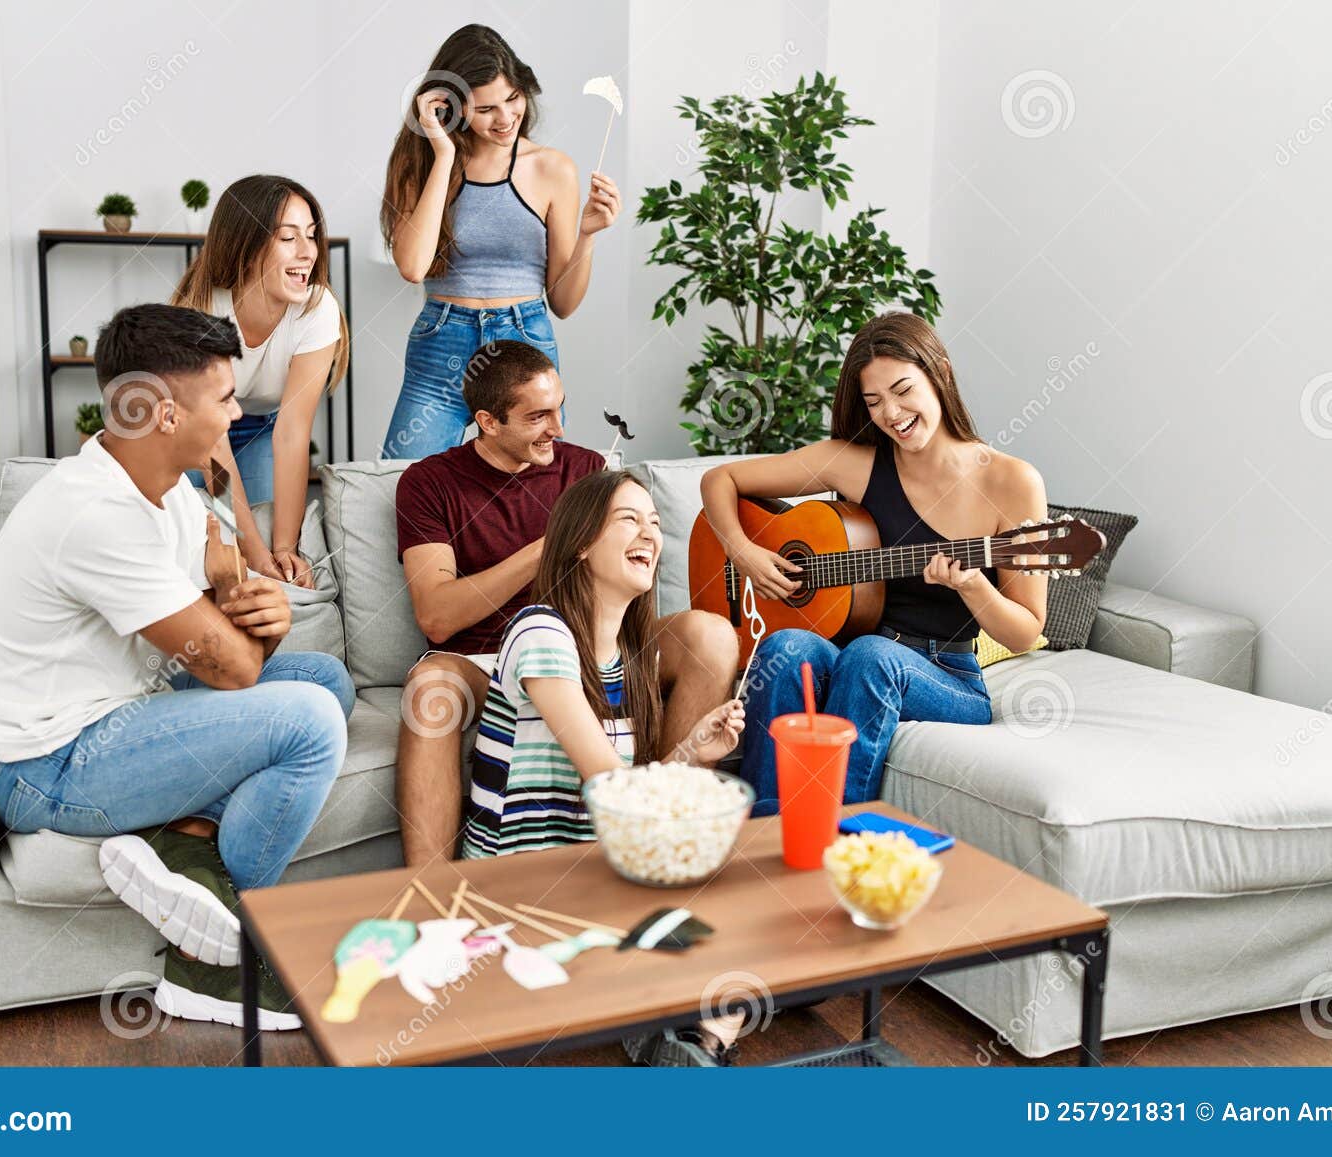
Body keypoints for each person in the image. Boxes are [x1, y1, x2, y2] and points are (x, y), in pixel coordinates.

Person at [0, 303, 353, 1031]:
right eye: (224, 398)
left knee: (327, 680)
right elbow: (230, 666)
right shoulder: (96, 515)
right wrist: (256, 619)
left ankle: (183, 839)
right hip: (47, 766)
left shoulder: (168, 492)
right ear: (165, 413)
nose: (237, 413)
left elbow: (216, 624)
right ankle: (215, 957)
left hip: (120, 708)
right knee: (311, 719)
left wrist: (241, 601)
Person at [395, 340, 739, 866]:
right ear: (488, 422)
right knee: (431, 685)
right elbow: (437, 617)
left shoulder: (586, 470)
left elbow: (625, 580)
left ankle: (666, 835)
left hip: (595, 647)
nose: (557, 428)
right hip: (489, 660)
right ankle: (427, 890)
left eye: (560, 409)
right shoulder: (429, 482)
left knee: (710, 635)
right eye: (537, 416)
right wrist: (552, 544)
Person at [700, 312, 1048, 812]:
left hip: (946, 674)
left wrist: (973, 586)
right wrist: (743, 551)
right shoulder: (856, 464)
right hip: (855, 657)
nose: (892, 413)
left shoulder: (1012, 482)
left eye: (903, 390)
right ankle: (765, 830)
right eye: (874, 401)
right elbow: (721, 480)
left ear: (941, 373)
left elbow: (1024, 631)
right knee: (787, 646)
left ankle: (835, 833)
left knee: (871, 656)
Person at [461, 470, 748, 1066]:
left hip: (589, 880)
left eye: (655, 523)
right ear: (581, 544)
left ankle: (690, 1044)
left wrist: (691, 751)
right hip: (520, 888)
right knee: (730, 942)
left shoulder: (627, 661)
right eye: (628, 520)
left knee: (746, 939)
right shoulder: (541, 630)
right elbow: (612, 786)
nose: (650, 534)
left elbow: (621, 800)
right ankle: (668, 1024)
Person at [379, 23, 621, 458]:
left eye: (513, 99)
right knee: (405, 477)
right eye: (486, 108)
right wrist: (444, 155)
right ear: (451, 107)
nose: (506, 118)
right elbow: (413, 267)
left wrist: (587, 235)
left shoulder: (552, 168)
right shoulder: (423, 163)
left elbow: (563, 303)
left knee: (532, 485)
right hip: (443, 341)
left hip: (524, 338)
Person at [173, 174, 348, 588]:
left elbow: (292, 431)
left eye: (311, 235)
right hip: (190, 431)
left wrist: (283, 549)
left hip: (262, 428)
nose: (308, 252)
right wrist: (251, 551)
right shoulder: (203, 307)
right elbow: (211, 443)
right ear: (246, 246)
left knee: (268, 539)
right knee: (194, 540)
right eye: (288, 238)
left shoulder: (317, 309)